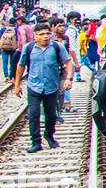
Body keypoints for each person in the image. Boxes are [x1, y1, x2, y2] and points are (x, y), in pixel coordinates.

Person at [13, 21, 73, 153]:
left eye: (47, 33)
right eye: (42, 34)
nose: (45, 36)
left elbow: (68, 62)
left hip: (51, 86)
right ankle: (36, 142)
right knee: (34, 114)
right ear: (35, 36)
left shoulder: (57, 47)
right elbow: (21, 65)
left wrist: (69, 78)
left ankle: (49, 136)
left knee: (51, 114)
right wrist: (17, 85)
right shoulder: (28, 48)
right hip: (33, 86)